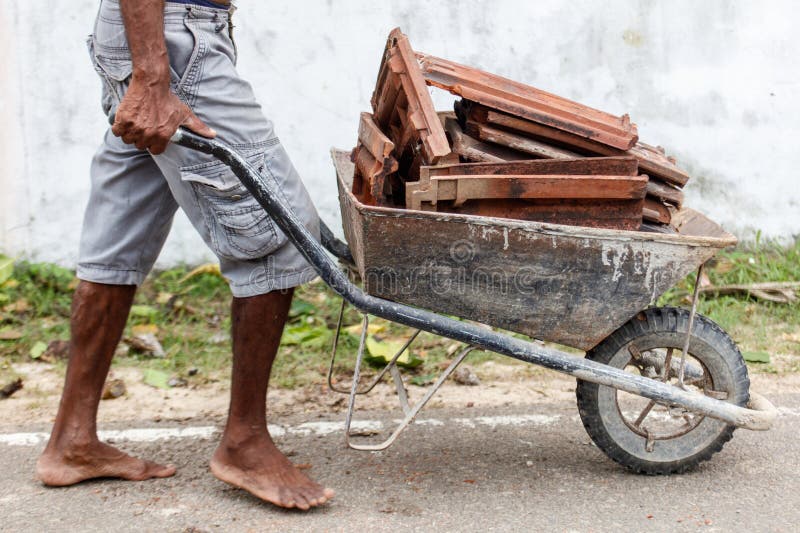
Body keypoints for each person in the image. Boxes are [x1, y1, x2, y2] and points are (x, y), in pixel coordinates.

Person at [35, 0, 334, 511]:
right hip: (170, 39)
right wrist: (153, 77)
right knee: (277, 233)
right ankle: (244, 443)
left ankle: (73, 441)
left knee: (119, 234)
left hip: (158, 33)